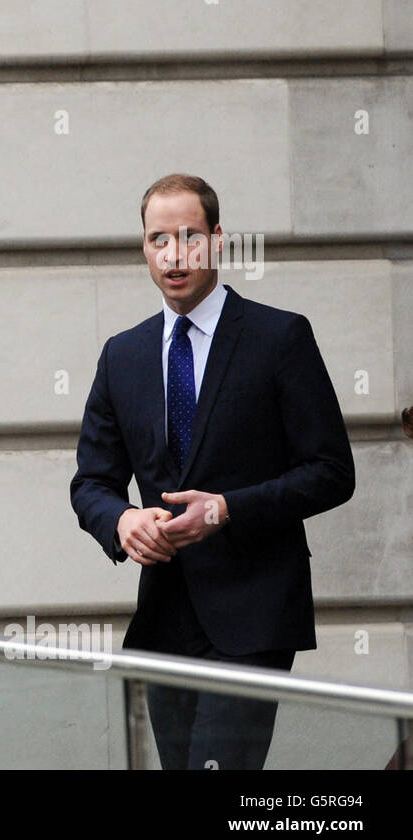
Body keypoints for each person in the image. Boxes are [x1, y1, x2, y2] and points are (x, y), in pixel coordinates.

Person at [70, 174, 355, 769]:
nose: (174, 256)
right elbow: (91, 482)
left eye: (189, 237)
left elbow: (331, 471)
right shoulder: (122, 355)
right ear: (144, 248)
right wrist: (121, 521)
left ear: (218, 240)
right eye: (158, 240)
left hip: (256, 611)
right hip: (165, 619)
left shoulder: (280, 337)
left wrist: (227, 509)